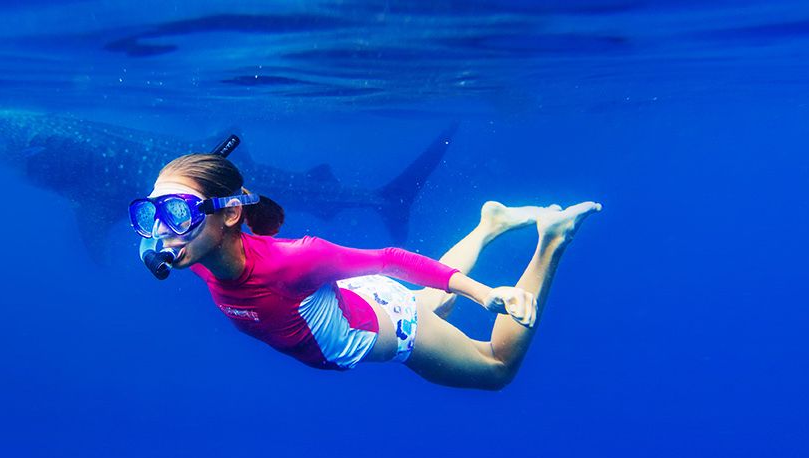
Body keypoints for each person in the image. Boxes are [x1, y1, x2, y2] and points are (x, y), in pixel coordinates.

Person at [136, 151, 597, 389]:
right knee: (430, 304)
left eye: (176, 214)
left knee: (495, 369)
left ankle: (552, 237)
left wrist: (485, 294)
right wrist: (176, 212)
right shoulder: (192, 252)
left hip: (392, 326)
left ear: (231, 213)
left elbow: (392, 260)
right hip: (358, 302)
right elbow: (156, 243)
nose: (161, 233)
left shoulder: (294, 260)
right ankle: (490, 225)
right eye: (151, 215)